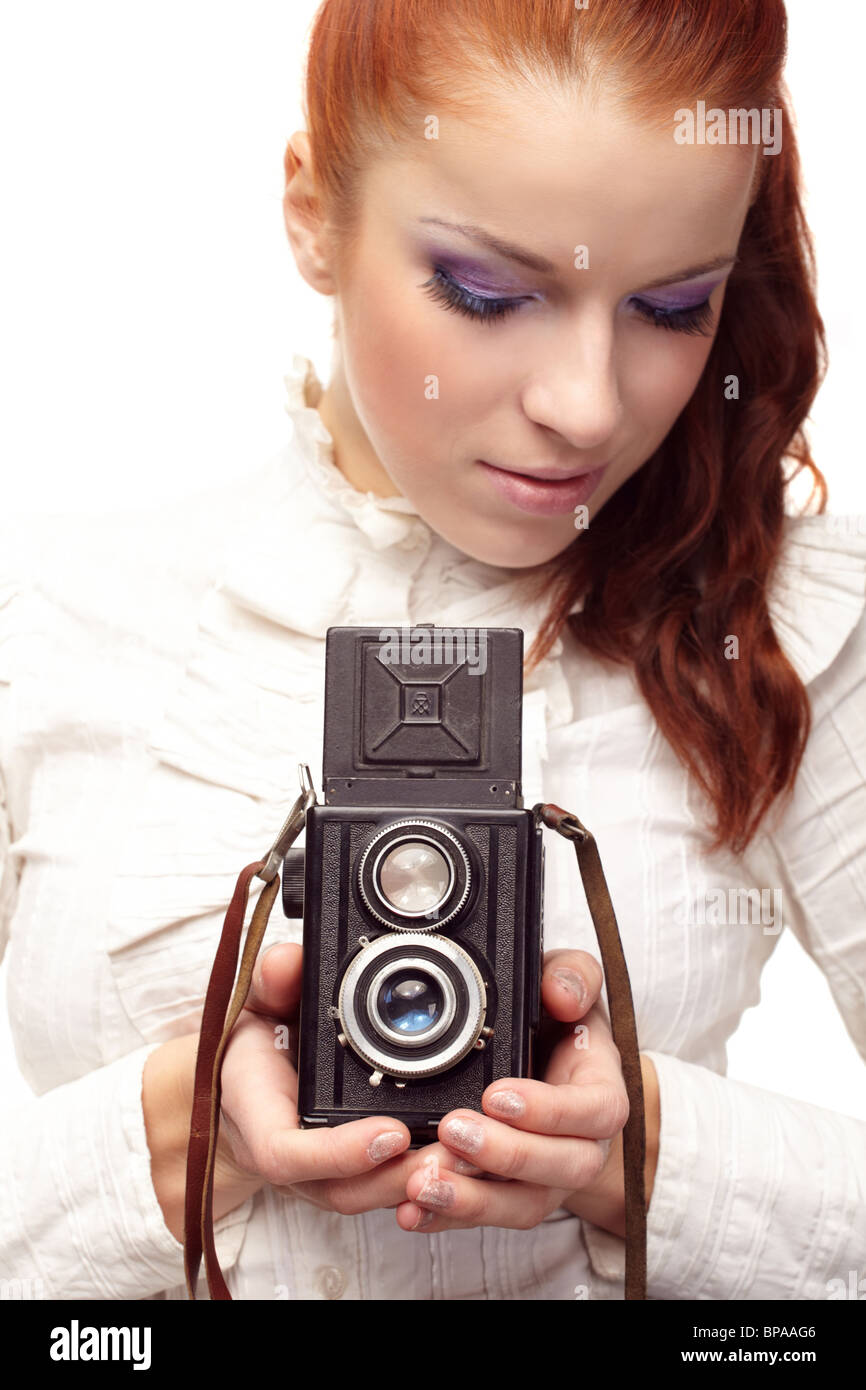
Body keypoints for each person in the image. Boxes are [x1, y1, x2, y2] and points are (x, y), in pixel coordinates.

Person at [1, 0, 864, 1301]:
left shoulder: (788, 622)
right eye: (486, 291)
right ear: (311, 214)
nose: (582, 403)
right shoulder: (49, 612)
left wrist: (646, 1155)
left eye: (672, 307)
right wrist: (172, 1139)